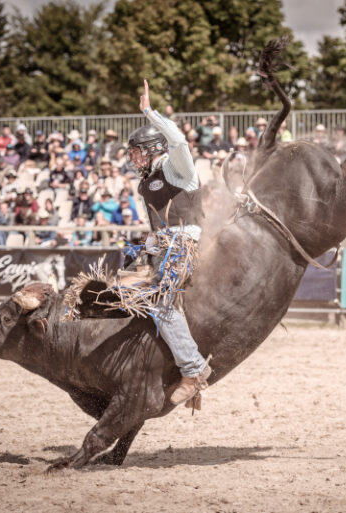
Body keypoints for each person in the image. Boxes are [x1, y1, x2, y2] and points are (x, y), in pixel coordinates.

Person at [125, 79, 211, 405]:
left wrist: (150, 112)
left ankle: (192, 371)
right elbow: (157, 228)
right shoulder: (148, 183)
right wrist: (142, 253)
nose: (132, 159)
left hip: (184, 244)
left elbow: (178, 141)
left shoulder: (178, 169)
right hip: (163, 246)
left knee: (161, 303)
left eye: (135, 153)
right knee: (123, 287)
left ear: (151, 149)